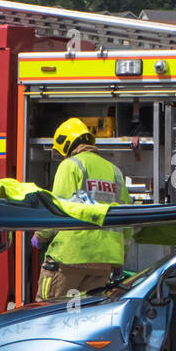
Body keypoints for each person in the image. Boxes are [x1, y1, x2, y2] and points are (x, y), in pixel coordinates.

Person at [33, 118, 131, 301]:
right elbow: (126, 220)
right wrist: (120, 258)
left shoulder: (70, 165)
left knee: (49, 311)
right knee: (85, 318)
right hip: (103, 261)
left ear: (67, 144)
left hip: (69, 256)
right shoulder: (115, 171)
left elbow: (59, 208)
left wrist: (41, 235)